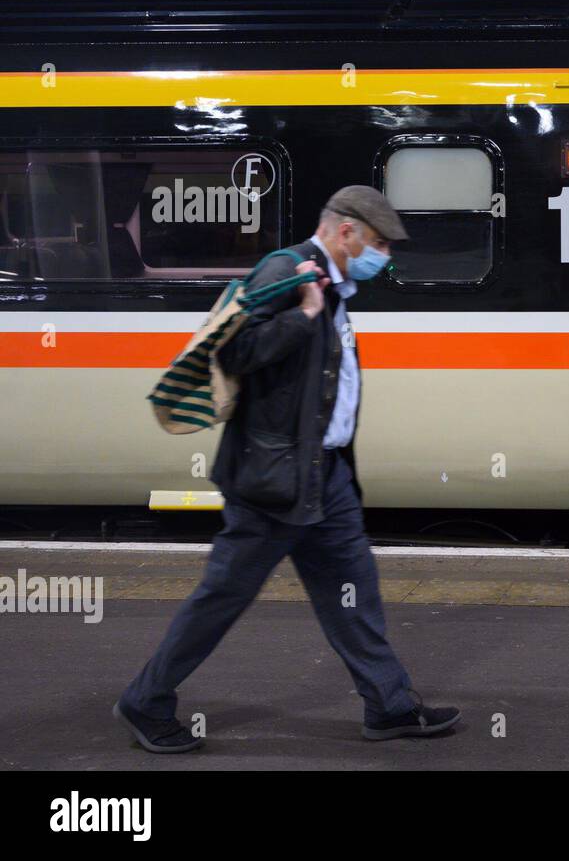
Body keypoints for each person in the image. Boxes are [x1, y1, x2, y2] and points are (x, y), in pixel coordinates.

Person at [114, 186, 460, 753]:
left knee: (352, 590)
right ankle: (146, 699)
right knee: (224, 596)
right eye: (379, 244)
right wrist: (304, 315)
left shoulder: (332, 283)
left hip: (324, 475)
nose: (385, 257)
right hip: (273, 478)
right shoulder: (286, 271)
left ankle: (390, 705)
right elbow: (234, 353)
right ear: (345, 232)